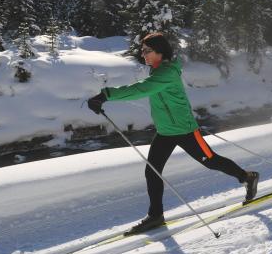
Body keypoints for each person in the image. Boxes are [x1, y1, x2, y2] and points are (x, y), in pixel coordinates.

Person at [87, 32, 259, 233]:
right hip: (165, 132)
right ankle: (156, 215)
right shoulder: (157, 72)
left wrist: (106, 95)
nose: (143, 55)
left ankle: (247, 177)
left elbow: (141, 90)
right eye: (142, 51)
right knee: (152, 171)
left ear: (160, 52)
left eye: (147, 51)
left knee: (211, 161)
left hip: (185, 130)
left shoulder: (165, 74)